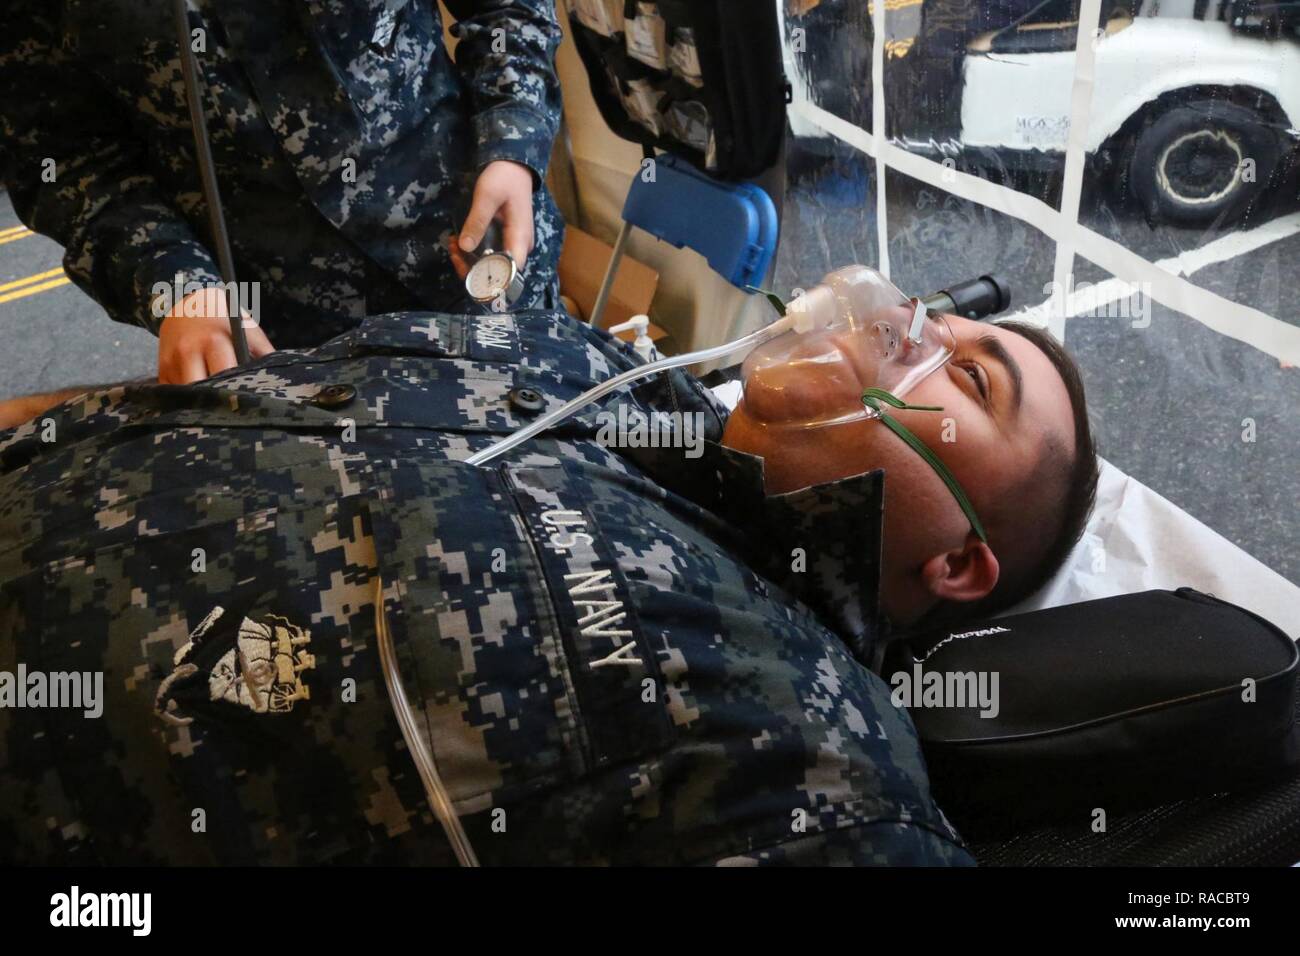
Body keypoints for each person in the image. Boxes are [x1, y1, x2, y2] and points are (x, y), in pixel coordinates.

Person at [0, 295, 1096, 865]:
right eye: (928, 315)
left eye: (961, 371)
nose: (896, 325)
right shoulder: (577, 364)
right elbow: (196, 415)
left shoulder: (796, 752)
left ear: (957, 558)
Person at [0, 0, 563, 384]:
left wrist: (514, 137)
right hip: (281, 339)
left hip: (484, 254)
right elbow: (66, 159)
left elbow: (506, 7)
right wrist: (173, 280)